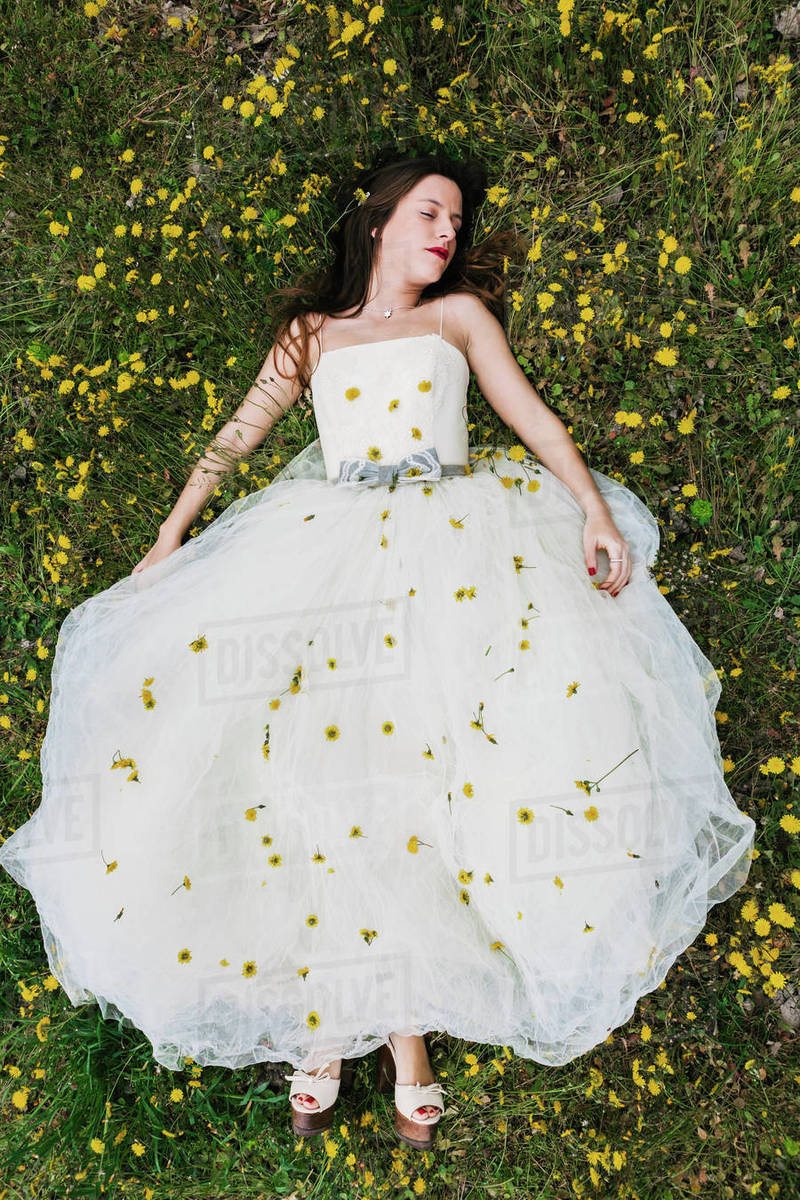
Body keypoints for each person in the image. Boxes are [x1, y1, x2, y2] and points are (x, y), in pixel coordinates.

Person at [0, 152, 755, 1152]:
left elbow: (526, 415)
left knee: (421, 779)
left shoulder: (458, 322)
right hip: (325, 553)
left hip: (452, 555)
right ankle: (330, 1024)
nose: (447, 231)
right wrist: (171, 531)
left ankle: (401, 1044)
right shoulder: (313, 335)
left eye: (457, 219)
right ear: (379, 223)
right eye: (430, 213)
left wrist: (585, 507)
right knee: (318, 777)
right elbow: (239, 431)